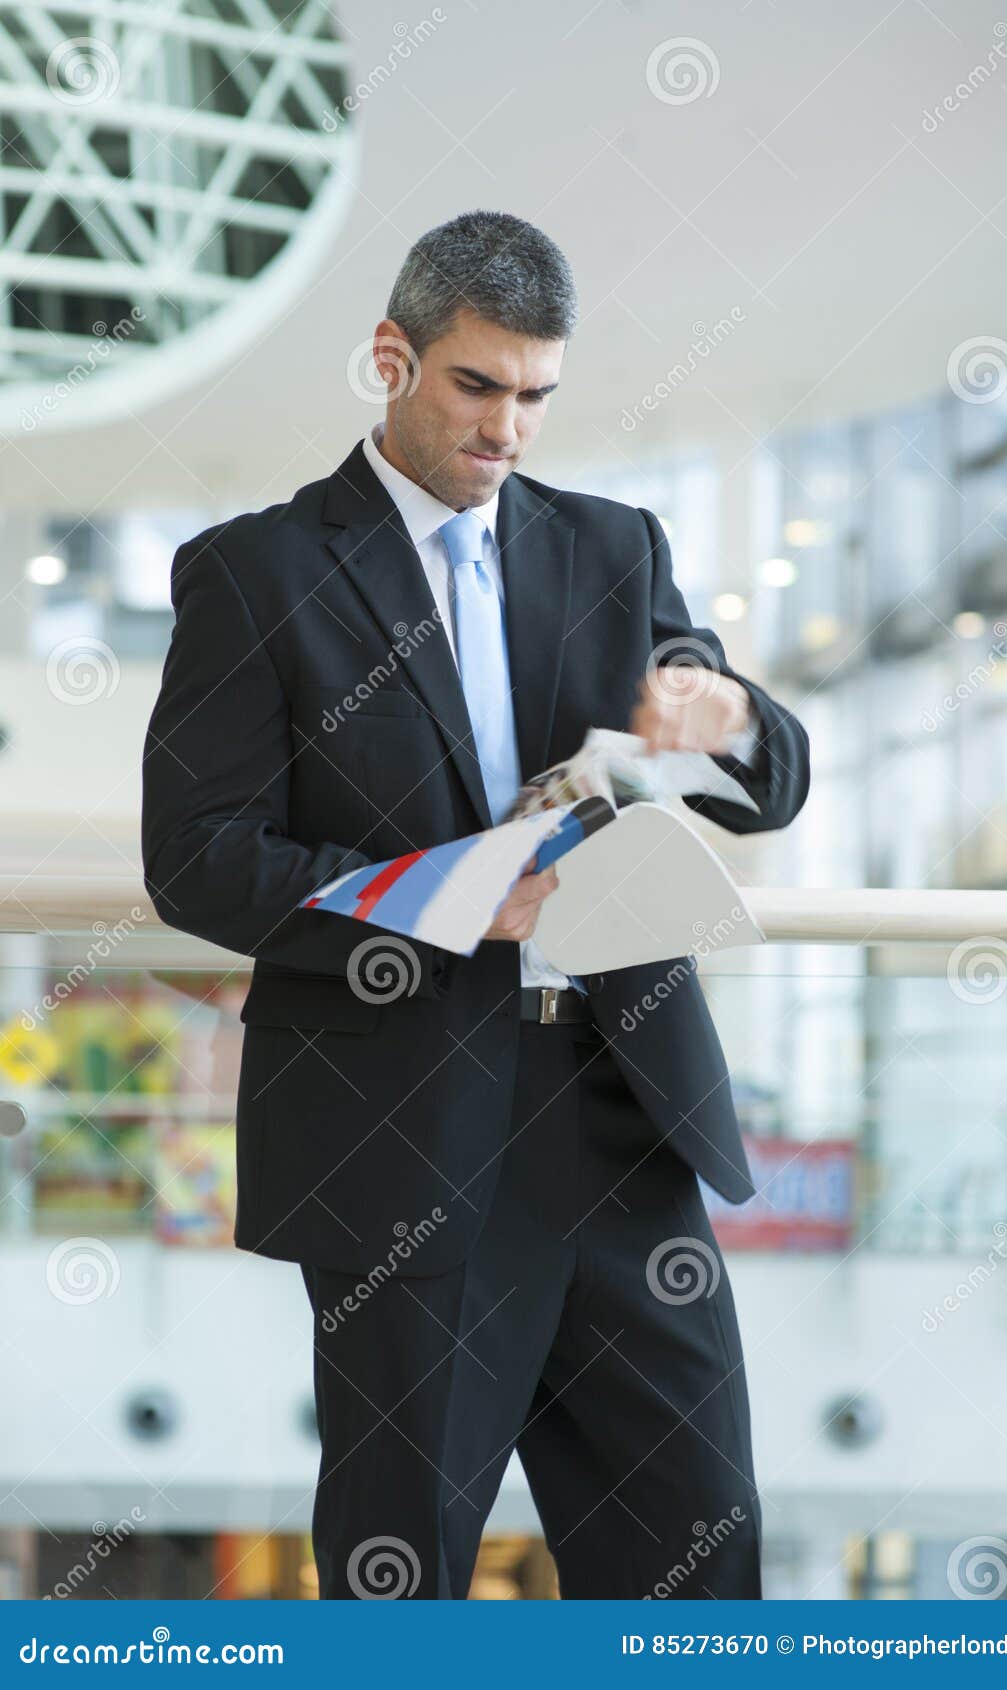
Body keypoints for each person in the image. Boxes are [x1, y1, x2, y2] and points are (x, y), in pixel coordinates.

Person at [141, 209, 810, 1600]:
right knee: (406, 1568)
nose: (508, 428)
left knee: (701, 1552)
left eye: (537, 396)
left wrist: (728, 714)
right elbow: (199, 856)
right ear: (392, 357)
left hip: (622, 1119)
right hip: (403, 1133)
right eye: (477, 385)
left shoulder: (614, 549)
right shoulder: (257, 574)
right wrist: (447, 901)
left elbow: (772, 784)